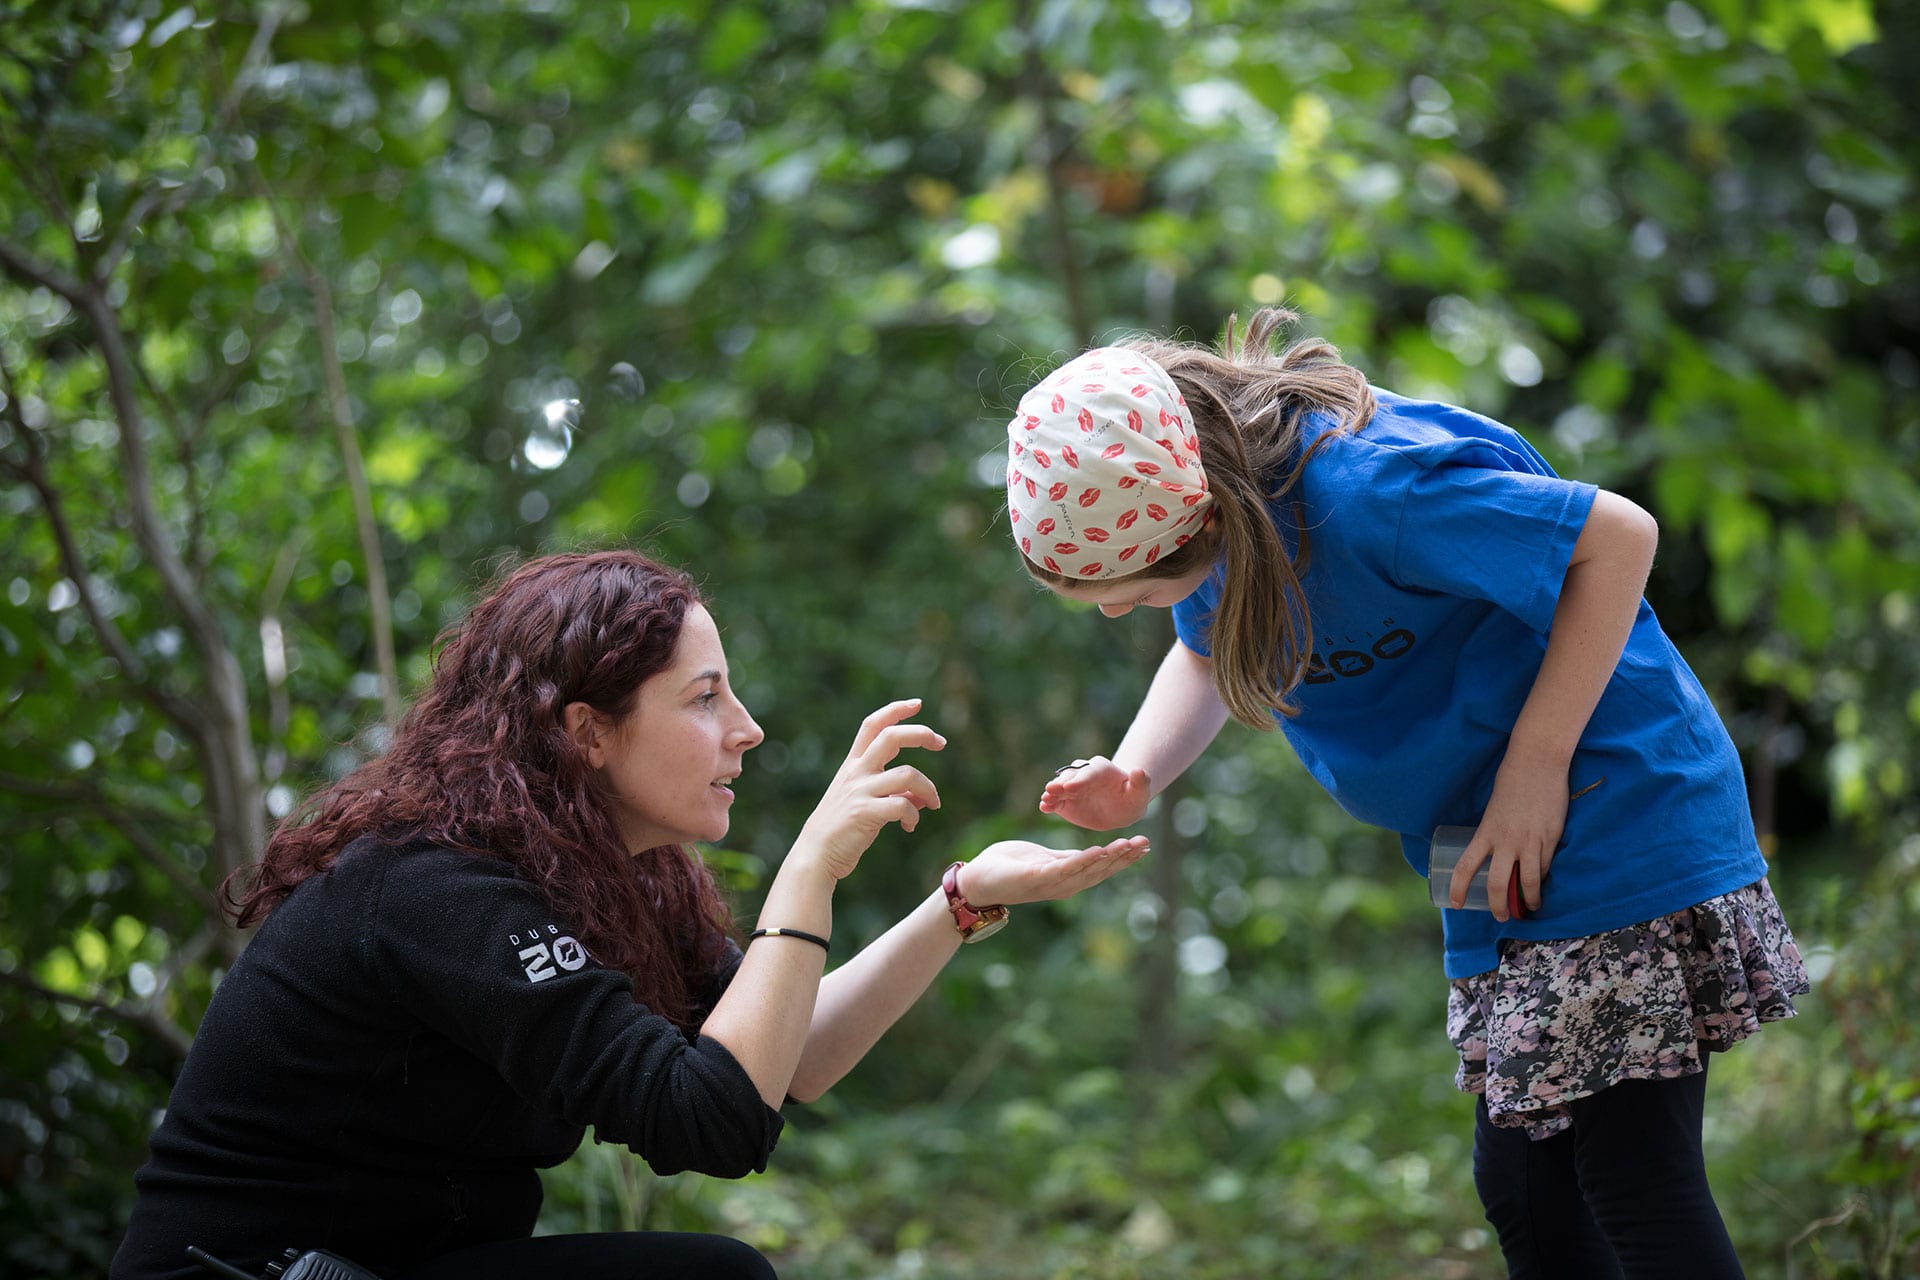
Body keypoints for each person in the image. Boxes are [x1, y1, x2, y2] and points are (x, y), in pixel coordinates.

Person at [1003, 310, 1809, 1278]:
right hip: (1491, 852)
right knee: (1526, 1192)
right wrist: (1137, 772)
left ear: (1203, 516)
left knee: (1630, 1174)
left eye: (1131, 591)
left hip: (1611, 804)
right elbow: (1204, 643)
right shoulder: (1211, 506)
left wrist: (1533, 765)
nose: (1129, 608)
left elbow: (1619, 539)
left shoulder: (1368, 485)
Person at [111, 549, 1149, 1280]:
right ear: (586, 732)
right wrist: (809, 870)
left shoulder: (624, 876)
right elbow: (713, 1119)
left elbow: (784, 1062)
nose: (745, 729)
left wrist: (958, 898)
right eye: (703, 699)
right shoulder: (439, 885)